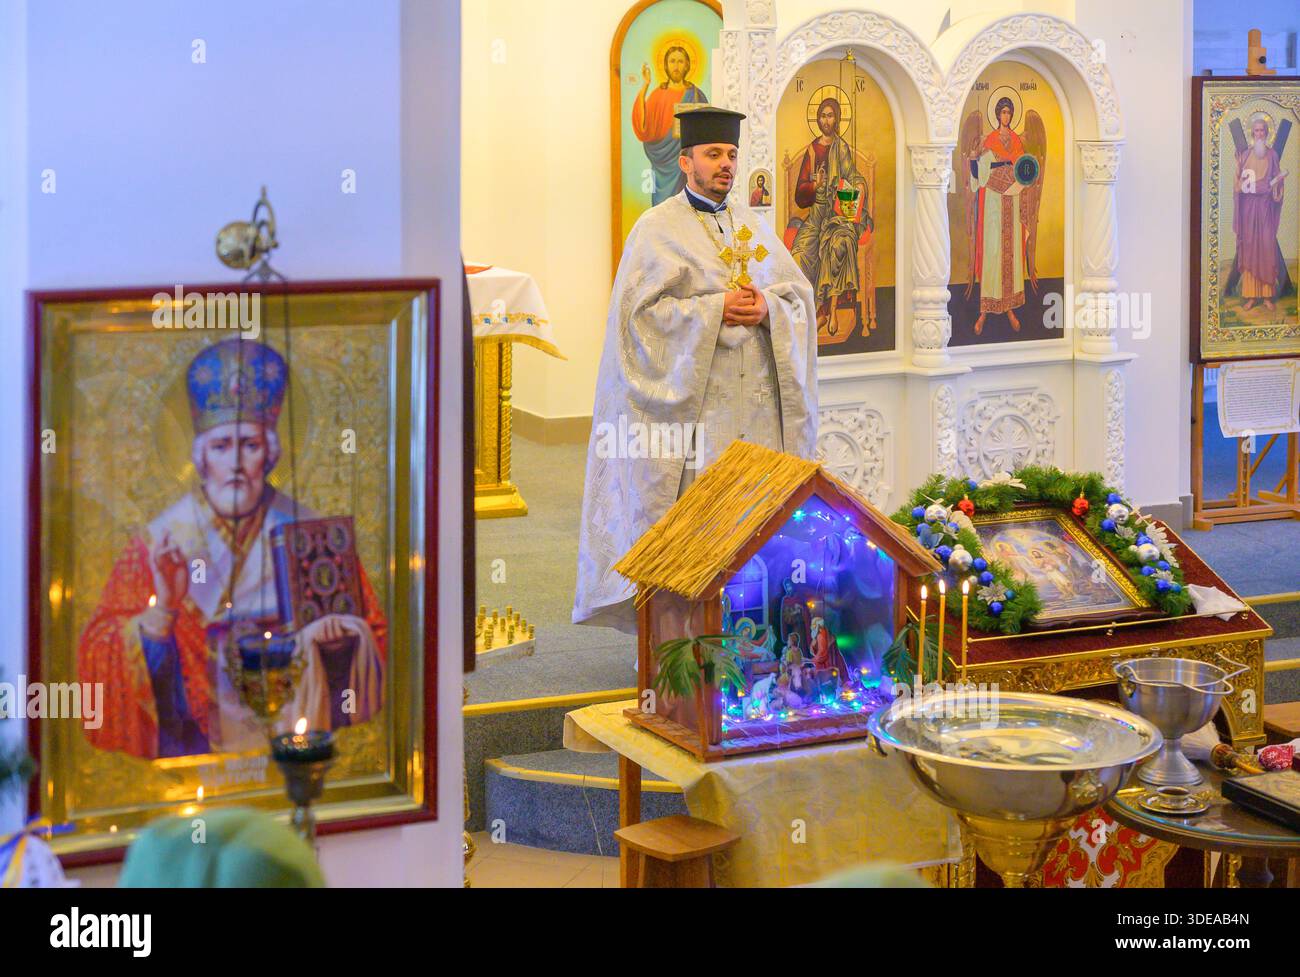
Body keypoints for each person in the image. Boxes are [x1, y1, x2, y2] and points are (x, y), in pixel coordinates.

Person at [78, 339, 387, 759]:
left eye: (250, 445)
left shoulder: (313, 534)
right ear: (201, 457)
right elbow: (100, 651)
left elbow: (375, 634)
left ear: (271, 454)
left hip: (293, 735)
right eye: (222, 446)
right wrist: (163, 611)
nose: (237, 462)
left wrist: (337, 644)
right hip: (195, 746)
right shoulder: (159, 543)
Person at [573, 106, 818, 632]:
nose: (725, 165)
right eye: (713, 155)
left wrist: (769, 309)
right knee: (698, 525)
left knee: (755, 522)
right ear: (686, 162)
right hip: (698, 421)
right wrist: (713, 311)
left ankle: (757, 635)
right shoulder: (656, 230)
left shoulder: (752, 226)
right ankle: (685, 643)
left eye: (731, 154)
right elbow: (637, 322)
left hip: (758, 423)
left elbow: (798, 298)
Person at [790, 96, 869, 326]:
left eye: (831, 115)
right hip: (816, 216)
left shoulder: (841, 148)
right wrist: (815, 186)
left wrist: (860, 185)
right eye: (823, 115)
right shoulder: (812, 151)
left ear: (837, 118)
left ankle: (828, 311)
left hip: (838, 215)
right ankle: (808, 311)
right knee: (800, 253)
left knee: (837, 245)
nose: (827, 120)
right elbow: (800, 195)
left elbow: (851, 175)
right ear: (818, 119)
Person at [968, 97, 1027, 335]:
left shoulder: (1016, 142)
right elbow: (980, 175)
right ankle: (985, 309)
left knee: (1010, 253)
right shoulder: (989, 141)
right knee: (993, 252)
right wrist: (973, 158)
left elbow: (1025, 169)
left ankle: (1010, 307)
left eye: (1009, 113)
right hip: (993, 201)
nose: (1006, 116)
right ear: (997, 114)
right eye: (1002, 112)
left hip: (1011, 199)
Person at [632, 46, 708, 205]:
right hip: (663, 164)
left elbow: (707, 133)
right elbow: (643, 129)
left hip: (686, 161)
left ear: (687, 65)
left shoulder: (696, 94)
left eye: (680, 61)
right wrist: (646, 85)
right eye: (672, 61)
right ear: (666, 65)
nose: (676, 66)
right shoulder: (658, 95)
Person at [1233, 112, 1288, 312]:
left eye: (1262, 130)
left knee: (1265, 247)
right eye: (1256, 130)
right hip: (1248, 209)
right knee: (1249, 248)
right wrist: (1240, 179)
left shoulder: (1272, 155)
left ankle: (1266, 295)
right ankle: (1251, 296)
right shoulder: (1245, 155)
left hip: (1265, 208)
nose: (1259, 134)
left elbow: (1277, 185)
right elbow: (1238, 182)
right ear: (1252, 133)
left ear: (1267, 133)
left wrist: (1276, 186)